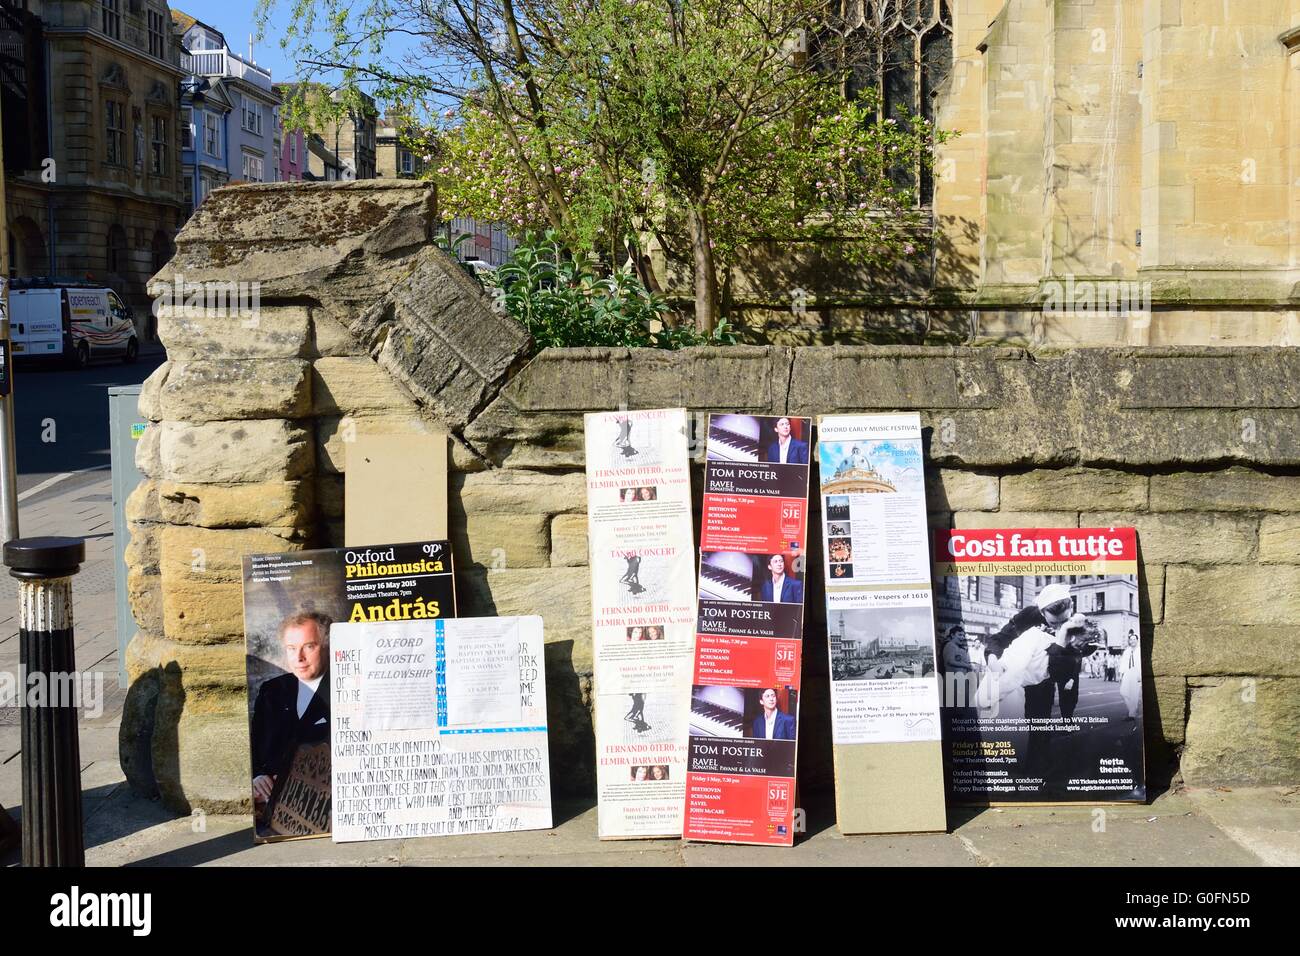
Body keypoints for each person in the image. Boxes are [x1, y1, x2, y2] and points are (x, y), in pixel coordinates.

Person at [251, 611, 332, 809]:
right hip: (267, 804)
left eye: (309, 646)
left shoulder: (345, 690)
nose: (299, 657)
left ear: (327, 647)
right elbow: (255, 745)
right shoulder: (271, 690)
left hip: (319, 806)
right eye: (291, 648)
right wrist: (257, 776)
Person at [1119, 631, 1141, 726]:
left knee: (1134, 694)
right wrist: (1120, 674)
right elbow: (1123, 662)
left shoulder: (1140, 650)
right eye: (1131, 639)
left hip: (1136, 673)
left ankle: (1131, 714)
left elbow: (1141, 663)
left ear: (1137, 640)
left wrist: (1140, 674)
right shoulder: (1127, 651)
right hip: (1127, 672)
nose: (1132, 641)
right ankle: (1132, 710)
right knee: (1123, 692)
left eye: (1134, 639)